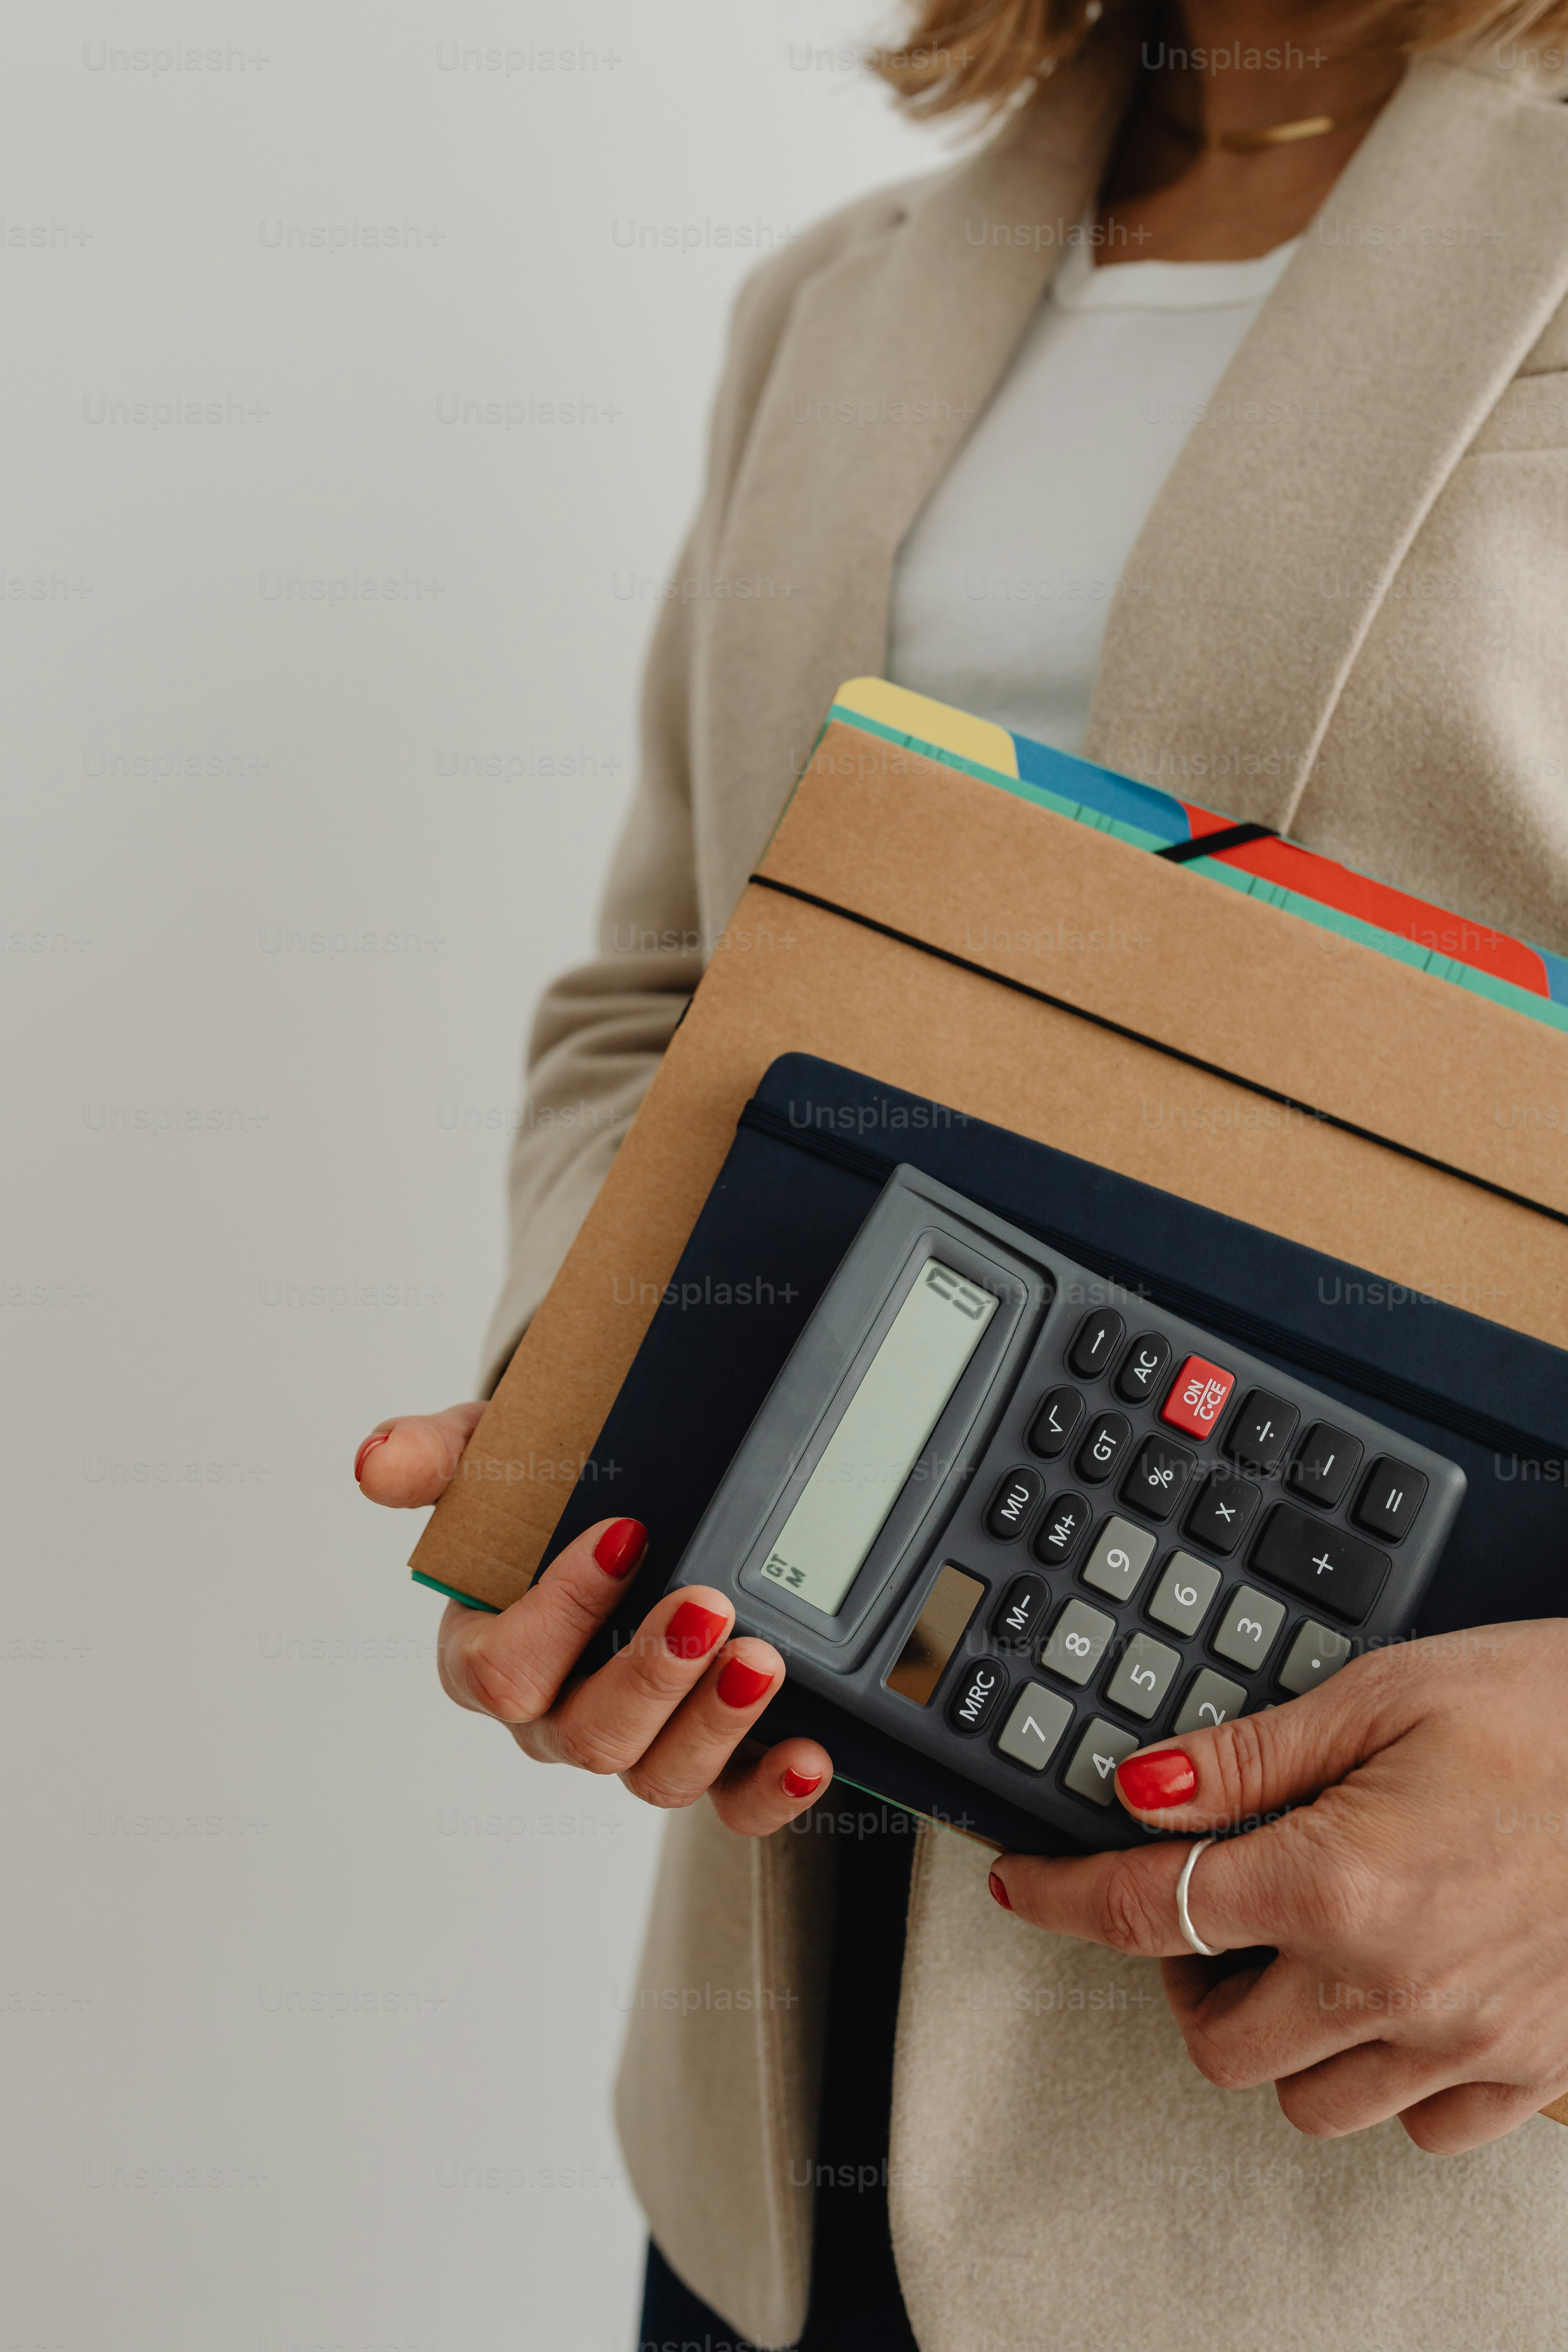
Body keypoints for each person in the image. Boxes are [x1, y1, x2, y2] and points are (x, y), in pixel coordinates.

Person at [354, 0, 1568, 2341]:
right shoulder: (829, 303)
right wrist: (596, 1434)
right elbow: (654, 997)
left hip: (1389, 2185)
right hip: (780, 2123)